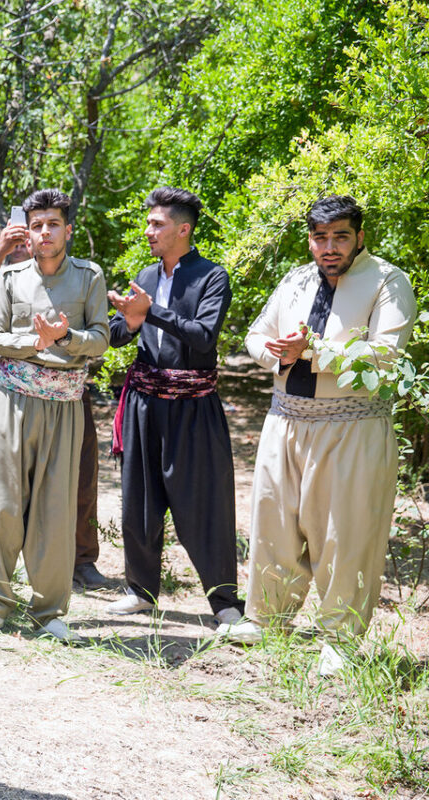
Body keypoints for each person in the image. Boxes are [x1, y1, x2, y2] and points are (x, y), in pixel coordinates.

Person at [223, 195, 415, 675]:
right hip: (285, 418)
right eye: (320, 237)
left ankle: (340, 638)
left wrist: (311, 351)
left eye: (340, 236)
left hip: (352, 425)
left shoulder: (388, 281)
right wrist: (278, 355)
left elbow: (385, 356)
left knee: (345, 533)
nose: (328, 247)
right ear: (309, 239)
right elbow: (254, 336)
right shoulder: (295, 280)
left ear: (360, 237)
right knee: (272, 521)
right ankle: (267, 621)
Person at [0, 188, 109, 641]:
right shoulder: (11, 278)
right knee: (1, 504)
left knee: (55, 508)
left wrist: (66, 339)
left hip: (65, 406)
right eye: (36, 225)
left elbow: (102, 338)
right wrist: (35, 342)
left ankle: (48, 612)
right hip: (11, 401)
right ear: (26, 232)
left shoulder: (89, 278)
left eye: (52, 224)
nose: (44, 232)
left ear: (67, 229)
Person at [106, 187, 244, 625]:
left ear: (183, 229)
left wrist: (152, 312)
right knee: (139, 502)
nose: (148, 230)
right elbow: (119, 333)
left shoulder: (211, 276)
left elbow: (203, 336)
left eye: (157, 224)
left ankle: (224, 604)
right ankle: (140, 591)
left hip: (193, 408)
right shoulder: (144, 277)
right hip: (144, 404)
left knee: (204, 503)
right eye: (148, 223)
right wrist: (129, 321)